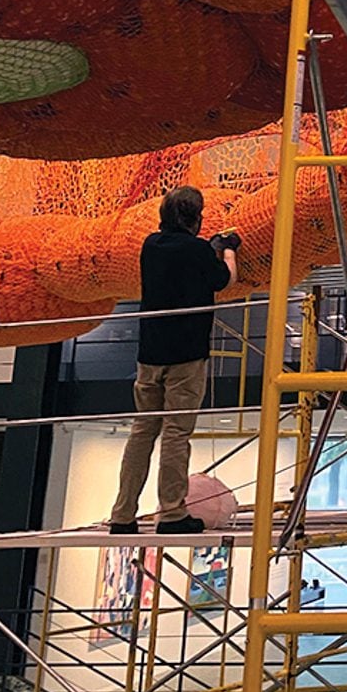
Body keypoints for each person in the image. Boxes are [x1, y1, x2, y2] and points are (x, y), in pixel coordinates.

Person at [109, 185, 240, 538]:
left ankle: (122, 514)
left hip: (150, 353)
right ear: (195, 218)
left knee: (142, 431)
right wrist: (228, 250)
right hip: (186, 354)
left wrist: (206, 249)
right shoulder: (198, 251)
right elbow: (224, 280)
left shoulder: (150, 246)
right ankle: (171, 511)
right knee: (176, 432)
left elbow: (181, 264)